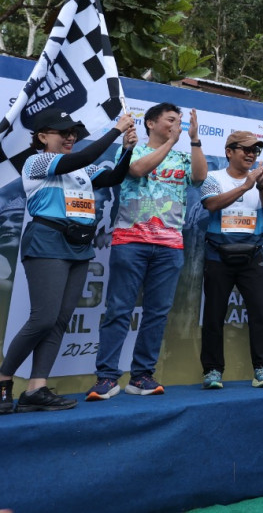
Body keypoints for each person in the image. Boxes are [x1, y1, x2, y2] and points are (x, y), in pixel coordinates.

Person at [0, 111, 136, 414]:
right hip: (47, 239)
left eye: (73, 132)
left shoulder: (82, 168)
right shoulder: (36, 162)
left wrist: (127, 150)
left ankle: (36, 389)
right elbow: (83, 156)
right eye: (63, 132)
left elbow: (113, 177)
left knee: (60, 320)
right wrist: (116, 130)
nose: (70, 136)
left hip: (79, 246)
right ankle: (3, 379)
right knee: (43, 319)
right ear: (42, 137)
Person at [89, 103, 207, 400]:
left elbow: (199, 177)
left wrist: (194, 140)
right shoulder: (133, 149)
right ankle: (106, 377)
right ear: (151, 123)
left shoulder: (183, 155)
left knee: (157, 313)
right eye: (170, 119)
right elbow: (137, 170)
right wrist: (172, 141)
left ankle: (142, 375)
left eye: (179, 121)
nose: (175, 124)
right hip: (131, 241)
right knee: (119, 309)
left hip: (170, 245)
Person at [198, 131, 263, 390]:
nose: (251, 154)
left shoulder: (261, 179)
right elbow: (211, 205)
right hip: (218, 256)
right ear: (229, 152)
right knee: (214, 314)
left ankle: (262, 368)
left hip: (252, 257)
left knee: (259, 313)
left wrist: (261, 185)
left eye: (255, 150)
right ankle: (212, 370)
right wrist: (245, 186)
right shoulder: (213, 178)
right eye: (246, 149)